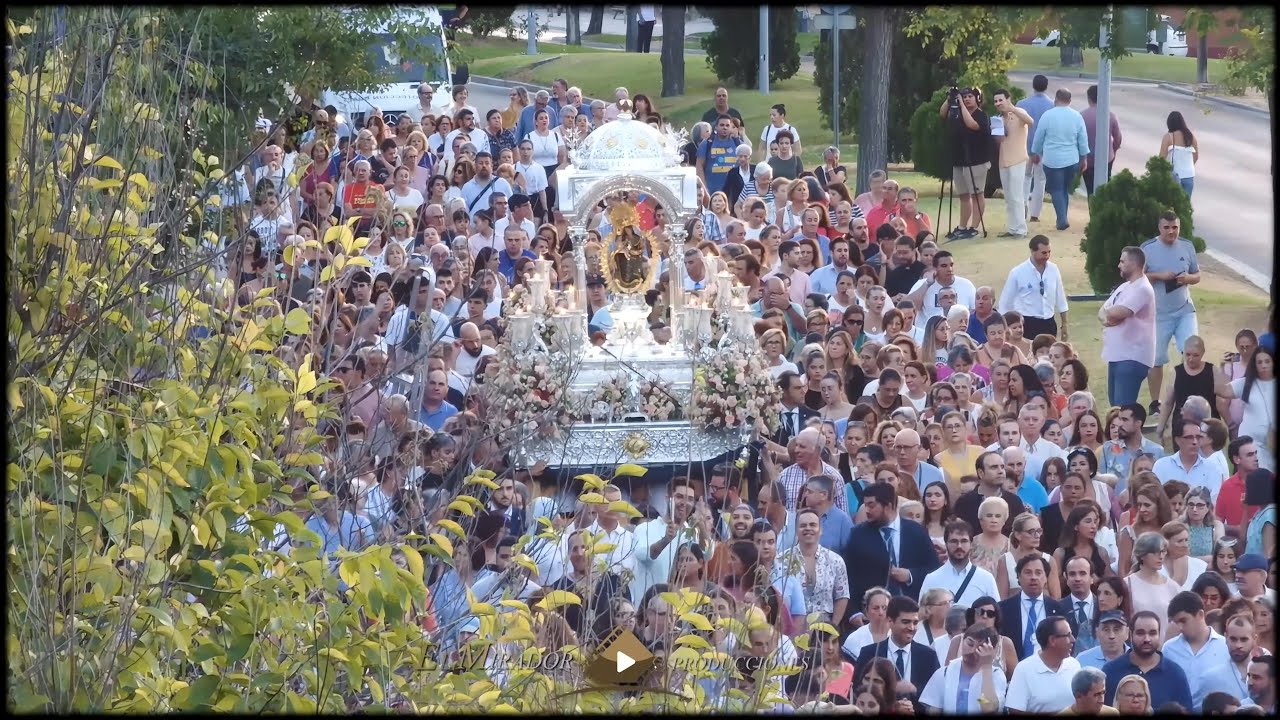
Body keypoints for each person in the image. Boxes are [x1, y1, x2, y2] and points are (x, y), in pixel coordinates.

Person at [844, 483, 940, 613]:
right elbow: (848, 577)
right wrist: (854, 613)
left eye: (871, 505)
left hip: (911, 608)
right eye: (865, 505)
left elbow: (934, 569)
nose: (867, 510)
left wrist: (910, 575)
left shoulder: (916, 531)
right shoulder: (858, 535)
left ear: (888, 506)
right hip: (873, 612)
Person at [1141, 211, 1201, 417]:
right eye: (1167, 227)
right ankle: (1155, 403)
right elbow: (1138, 277)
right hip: (1159, 314)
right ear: (1160, 228)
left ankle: (1189, 398)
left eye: (1174, 227)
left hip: (1184, 309)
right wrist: (1158, 276)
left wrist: (1188, 279)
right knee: (1156, 359)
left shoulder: (1187, 246)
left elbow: (1197, 275)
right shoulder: (1148, 249)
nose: (1171, 231)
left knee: (1191, 351)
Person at [1101, 610, 1194, 710]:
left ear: (1159, 635)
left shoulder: (1175, 673)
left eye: (1152, 633)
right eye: (1140, 633)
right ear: (1130, 635)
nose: (1147, 639)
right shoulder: (1110, 672)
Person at [1099, 246, 1156, 407]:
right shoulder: (1124, 287)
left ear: (1135, 264)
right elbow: (1102, 312)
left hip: (1132, 357)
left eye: (1122, 261)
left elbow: (1120, 312)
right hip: (1117, 355)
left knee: (1123, 409)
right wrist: (1109, 315)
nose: (1119, 265)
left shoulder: (1143, 288)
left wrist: (1110, 314)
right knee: (1115, 408)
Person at [1030, 88, 1089, 231]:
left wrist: (1035, 152)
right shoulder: (1076, 116)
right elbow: (1082, 139)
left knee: (1056, 189)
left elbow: (1039, 137)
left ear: (1056, 99)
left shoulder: (1047, 116)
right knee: (1064, 190)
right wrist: (1084, 158)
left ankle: (1062, 219)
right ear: (1070, 101)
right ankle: (1063, 216)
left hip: (1052, 160)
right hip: (1071, 159)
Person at [853, 596, 941, 691]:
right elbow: (858, 689)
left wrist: (914, 691)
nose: (911, 628)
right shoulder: (869, 653)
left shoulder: (928, 656)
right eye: (905, 622)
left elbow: (936, 692)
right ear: (890, 621)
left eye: (915, 623)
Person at [1163, 590, 1231, 711]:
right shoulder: (1169, 649)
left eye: (1183, 621)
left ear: (1200, 614)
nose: (1179, 627)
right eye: (1176, 622)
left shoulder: (1225, 646)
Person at [938, 87, 990, 241]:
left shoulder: (982, 116)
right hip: (959, 159)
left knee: (976, 194)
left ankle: (974, 227)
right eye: (964, 97)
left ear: (977, 98)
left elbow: (972, 125)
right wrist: (950, 99)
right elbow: (942, 114)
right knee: (963, 195)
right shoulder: (957, 113)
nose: (967, 99)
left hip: (976, 161)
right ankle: (962, 226)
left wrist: (960, 104)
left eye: (969, 96)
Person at [998, 554, 1073, 661]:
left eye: (1038, 573)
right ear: (1018, 577)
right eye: (1028, 573)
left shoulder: (1059, 609)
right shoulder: (1003, 608)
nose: (1033, 577)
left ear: (1046, 578)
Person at [919, 624, 1006, 714]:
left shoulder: (996, 674)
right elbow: (934, 709)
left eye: (980, 647)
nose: (972, 650)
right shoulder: (945, 673)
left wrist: (986, 667)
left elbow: (988, 708)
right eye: (970, 643)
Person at [1005, 615, 1082, 713]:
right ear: (1052, 640)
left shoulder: (1074, 665)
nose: (1073, 640)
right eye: (1068, 635)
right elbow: (1015, 710)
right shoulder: (1024, 669)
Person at [998, 235, 1069, 340]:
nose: (1047, 256)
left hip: (1049, 323)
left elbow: (1061, 298)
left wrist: (1065, 324)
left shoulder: (1053, 269)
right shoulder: (1017, 272)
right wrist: (1005, 330)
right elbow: (1005, 303)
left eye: (1049, 252)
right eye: (1044, 253)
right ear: (1032, 251)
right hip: (1027, 323)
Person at [919, 518, 999, 607]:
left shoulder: (986, 578)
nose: (959, 546)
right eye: (954, 541)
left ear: (971, 544)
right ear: (946, 543)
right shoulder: (932, 579)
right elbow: (922, 614)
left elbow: (996, 614)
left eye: (964, 541)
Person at [992, 88, 1034, 238]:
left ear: (1008, 99)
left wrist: (1012, 109)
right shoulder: (998, 118)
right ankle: (1012, 228)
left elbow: (1030, 121)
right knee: (1009, 197)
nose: (998, 103)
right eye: (996, 101)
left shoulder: (1018, 113)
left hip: (1018, 159)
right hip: (1003, 160)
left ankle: (1021, 229)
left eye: (1000, 100)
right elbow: (1000, 141)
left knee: (1017, 196)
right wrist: (997, 133)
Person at [1080, 84, 1123, 196]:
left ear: (1089, 99)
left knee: (1091, 191)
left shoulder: (1081, 116)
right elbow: (1118, 139)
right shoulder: (1110, 116)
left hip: (1088, 160)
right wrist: (1113, 151)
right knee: (1105, 190)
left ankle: (1092, 210)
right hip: (1106, 159)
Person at [1159, 111, 1199, 197]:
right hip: (1189, 176)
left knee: (1173, 205)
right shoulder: (1190, 137)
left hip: (1175, 177)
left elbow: (1161, 159)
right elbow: (1196, 157)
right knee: (1185, 207)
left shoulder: (1169, 137)